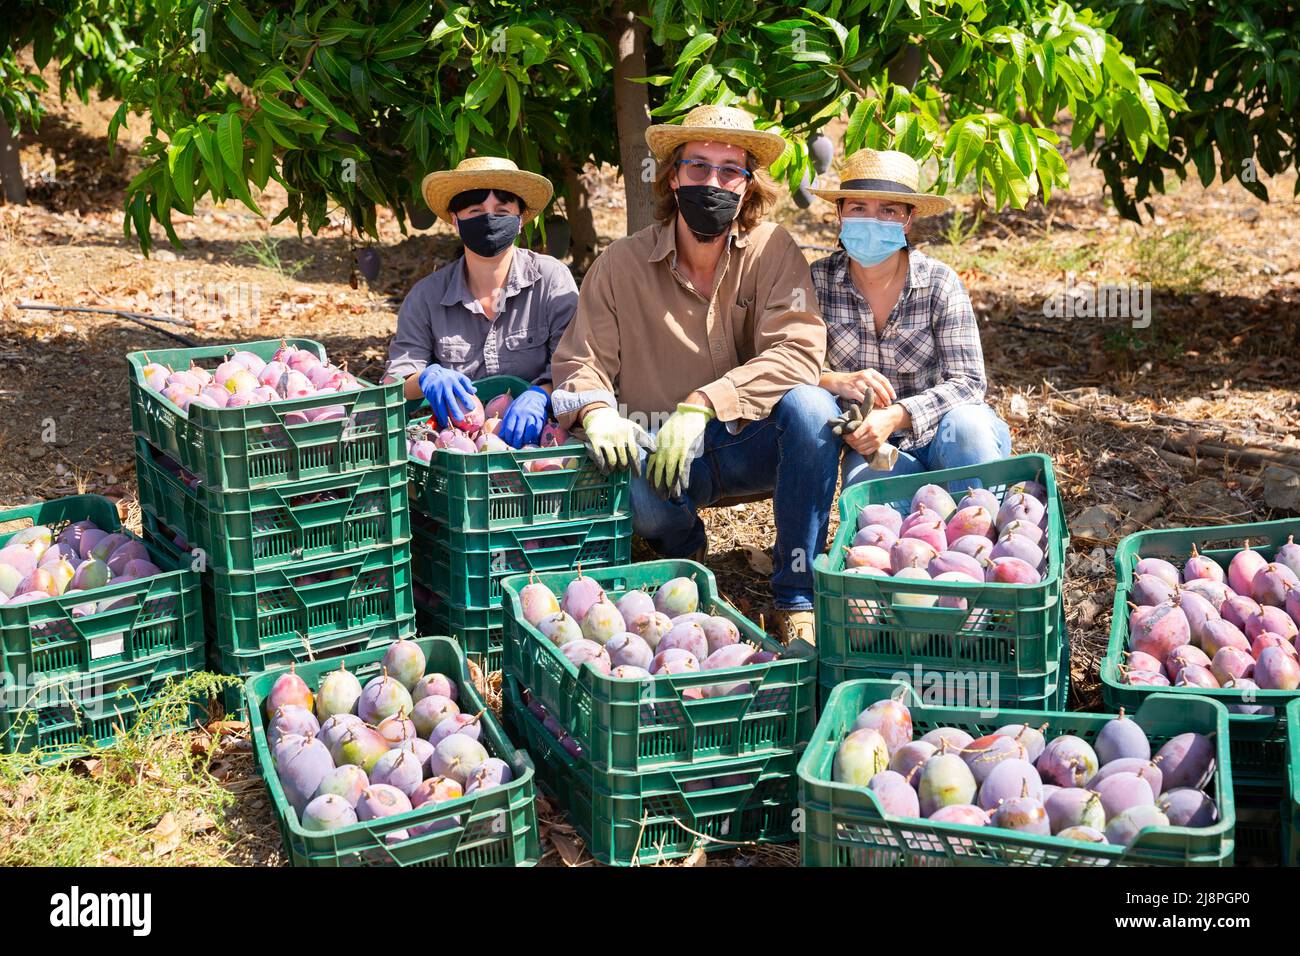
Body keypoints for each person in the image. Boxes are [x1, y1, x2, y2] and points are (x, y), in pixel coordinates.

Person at [550, 105, 840, 644]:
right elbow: (579, 360)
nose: (714, 181)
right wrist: (594, 410)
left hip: (749, 443)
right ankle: (681, 546)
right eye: (698, 167)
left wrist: (702, 404)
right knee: (634, 482)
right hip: (663, 454)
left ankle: (796, 594)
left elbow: (799, 352)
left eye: (730, 171)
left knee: (814, 410)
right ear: (672, 176)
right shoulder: (621, 265)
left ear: (748, 186)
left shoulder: (773, 250)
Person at [809, 148, 1010, 489]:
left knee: (969, 429)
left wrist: (895, 416)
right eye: (859, 208)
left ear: (908, 219)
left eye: (888, 210)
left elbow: (968, 382)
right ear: (840, 212)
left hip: (944, 431)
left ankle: (986, 523)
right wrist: (834, 380)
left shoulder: (937, 283)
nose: (872, 220)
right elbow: (787, 362)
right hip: (877, 446)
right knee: (874, 498)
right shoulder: (818, 282)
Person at [386, 157, 578, 447]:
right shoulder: (427, 297)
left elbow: (576, 366)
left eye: (502, 211)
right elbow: (394, 383)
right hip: (460, 444)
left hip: (541, 441)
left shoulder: (551, 280)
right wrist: (425, 377)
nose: (489, 219)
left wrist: (542, 395)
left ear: (521, 218)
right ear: (455, 219)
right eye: (475, 211)